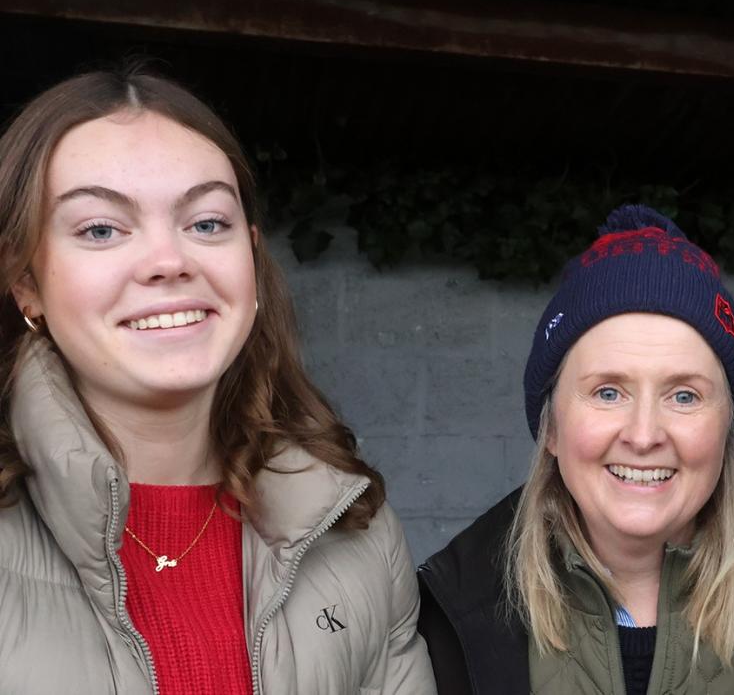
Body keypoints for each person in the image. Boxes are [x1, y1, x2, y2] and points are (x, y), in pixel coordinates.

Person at [0, 67, 436, 694]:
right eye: (101, 229)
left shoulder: (356, 534)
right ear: (28, 284)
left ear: (251, 260)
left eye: (206, 223)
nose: (169, 262)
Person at [417, 206, 734, 694]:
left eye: (684, 396)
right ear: (551, 428)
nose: (643, 434)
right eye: (608, 392)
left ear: (727, 432)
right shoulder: (450, 618)